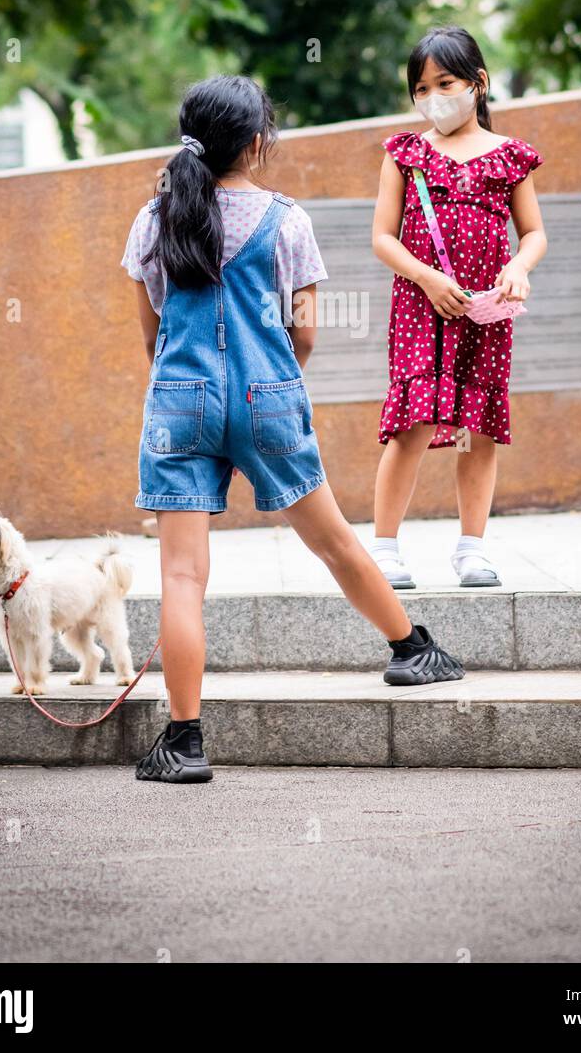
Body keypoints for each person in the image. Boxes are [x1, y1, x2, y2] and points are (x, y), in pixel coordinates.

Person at [121, 74, 465, 783]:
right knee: (336, 540)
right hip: (268, 395)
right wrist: (272, 375)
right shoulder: (287, 220)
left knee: (182, 575)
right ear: (255, 144)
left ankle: (183, 742)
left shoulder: (154, 219)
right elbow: (302, 335)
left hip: (179, 400)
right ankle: (411, 651)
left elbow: (151, 333)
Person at [370, 27, 547, 591]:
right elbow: (382, 237)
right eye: (421, 88)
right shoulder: (407, 155)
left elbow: (535, 233)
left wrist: (518, 268)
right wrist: (426, 278)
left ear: (479, 83)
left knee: (481, 426)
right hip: (422, 308)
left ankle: (472, 549)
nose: (433, 97)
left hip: (486, 311)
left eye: (445, 83)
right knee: (411, 424)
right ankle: (384, 550)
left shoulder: (510, 158)